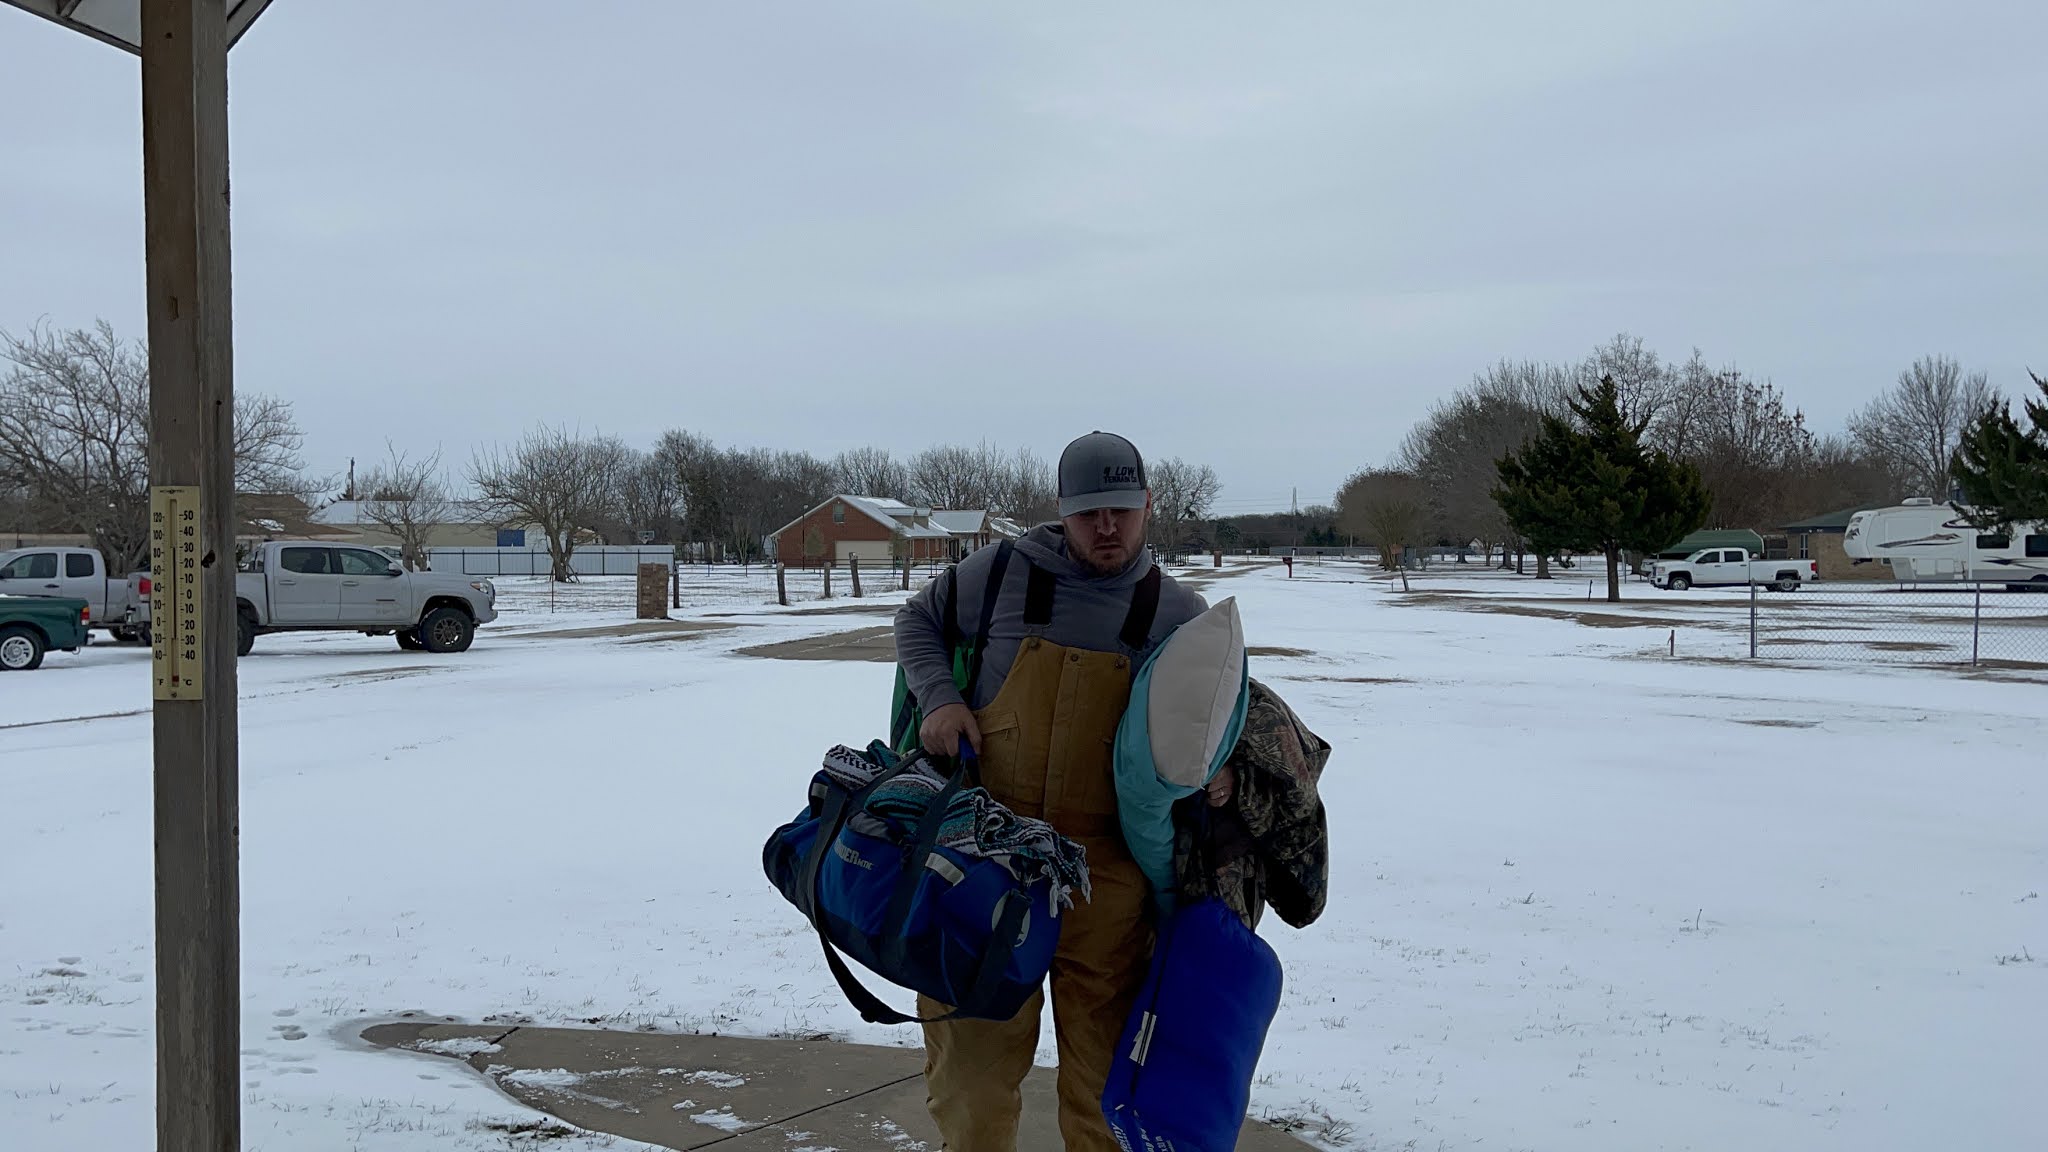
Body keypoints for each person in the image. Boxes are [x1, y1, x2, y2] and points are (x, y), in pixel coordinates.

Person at [893, 430, 1214, 1152]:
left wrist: (1217, 768)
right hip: (985, 867)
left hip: (1110, 883)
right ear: (1061, 510)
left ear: (1148, 505)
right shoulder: (998, 572)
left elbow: (1211, 719)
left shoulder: (1180, 614)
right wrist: (940, 697)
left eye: (1121, 510)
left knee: (1104, 1093)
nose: (1107, 527)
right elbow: (916, 620)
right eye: (1088, 512)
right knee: (970, 1082)